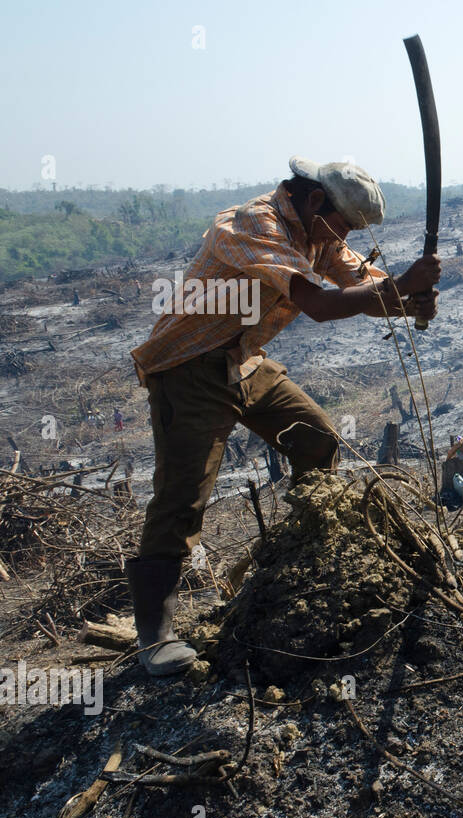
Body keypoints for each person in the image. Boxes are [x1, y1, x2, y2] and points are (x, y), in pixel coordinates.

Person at [125, 156, 441, 676]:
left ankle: (306, 553)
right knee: (183, 496)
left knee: (317, 439)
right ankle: (154, 638)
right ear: (315, 200)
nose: (343, 238)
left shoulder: (319, 231)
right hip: (188, 368)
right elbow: (319, 304)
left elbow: (362, 284)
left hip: (241, 360)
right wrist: (403, 285)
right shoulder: (252, 224)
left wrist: (412, 300)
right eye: (344, 226)